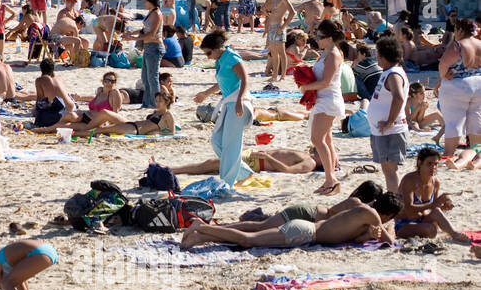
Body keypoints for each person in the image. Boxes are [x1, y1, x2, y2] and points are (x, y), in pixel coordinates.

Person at [180, 186, 402, 250]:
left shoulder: (362, 213)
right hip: (305, 232)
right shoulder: (371, 214)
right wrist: (386, 233)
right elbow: (390, 242)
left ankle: (201, 237)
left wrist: (367, 235)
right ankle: (201, 228)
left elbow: (354, 237)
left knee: (252, 235)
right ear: (388, 214)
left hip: (306, 228)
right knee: (250, 239)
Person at [192, 30, 253, 186]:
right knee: (217, 141)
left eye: (208, 53)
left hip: (239, 103)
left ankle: (226, 183)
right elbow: (222, 82)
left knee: (231, 144)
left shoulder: (232, 57)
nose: (208, 57)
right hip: (229, 103)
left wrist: (239, 100)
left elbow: (245, 80)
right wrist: (205, 94)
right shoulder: (220, 60)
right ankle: (244, 173)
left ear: (218, 47)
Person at [298, 19, 345, 195]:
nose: (317, 38)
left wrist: (306, 87)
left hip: (328, 100)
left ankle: (330, 179)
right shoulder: (327, 52)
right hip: (323, 100)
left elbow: (326, 82)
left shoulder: (333, 54)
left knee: (317, 139)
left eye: (320, 36)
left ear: (330, 37)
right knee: (326, 140)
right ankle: (330, 179)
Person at [397, 148, 470, 241]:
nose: (433, 167)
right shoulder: (409, 180)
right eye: (429, 164)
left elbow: (431, 209)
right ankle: (450, 234)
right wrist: (434, 204)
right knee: (431, 229)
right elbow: (408, 210)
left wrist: (443, 206)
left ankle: (454, 234)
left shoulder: (435, 182)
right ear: (419, 163)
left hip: (423, 220)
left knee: (435, 216)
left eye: (436, 164)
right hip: (404, 224)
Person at [435, 18, 481, 163]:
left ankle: (449, 153)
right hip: (478, 83)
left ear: (460, 30)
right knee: (476, 120)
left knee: (454, 121)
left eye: (455, 30)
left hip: (457, 84)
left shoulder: (458, 45)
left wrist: (443, 76)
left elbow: (443, 64)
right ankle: (476, 153)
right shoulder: (479, 43)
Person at [367, 35, 409, 192]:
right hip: (383, 131)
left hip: (391, 131)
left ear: (383, 56)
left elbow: (399, 97)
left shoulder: (394, 74)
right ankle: (394, 199)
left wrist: (390, 121)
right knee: (387, 170)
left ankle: (394, 201)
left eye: (377, 54)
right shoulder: (389, 71)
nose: (376, 57)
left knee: (390, 171)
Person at [170, 145, 319, 177]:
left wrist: (267, 157)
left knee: (213, 164)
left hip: (258, 162)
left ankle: (174, 169)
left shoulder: (310, 163)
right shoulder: (307, 155)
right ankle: (175, 169)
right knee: (214, 163)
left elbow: (287, 170)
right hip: (257, 156)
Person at [31, 58, 76, 129]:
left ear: (41, 69)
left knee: (35, 112)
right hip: (73, 107)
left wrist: (34, 110)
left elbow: (39, 101)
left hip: (61, 111)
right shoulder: (60, 78)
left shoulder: (40, 80)